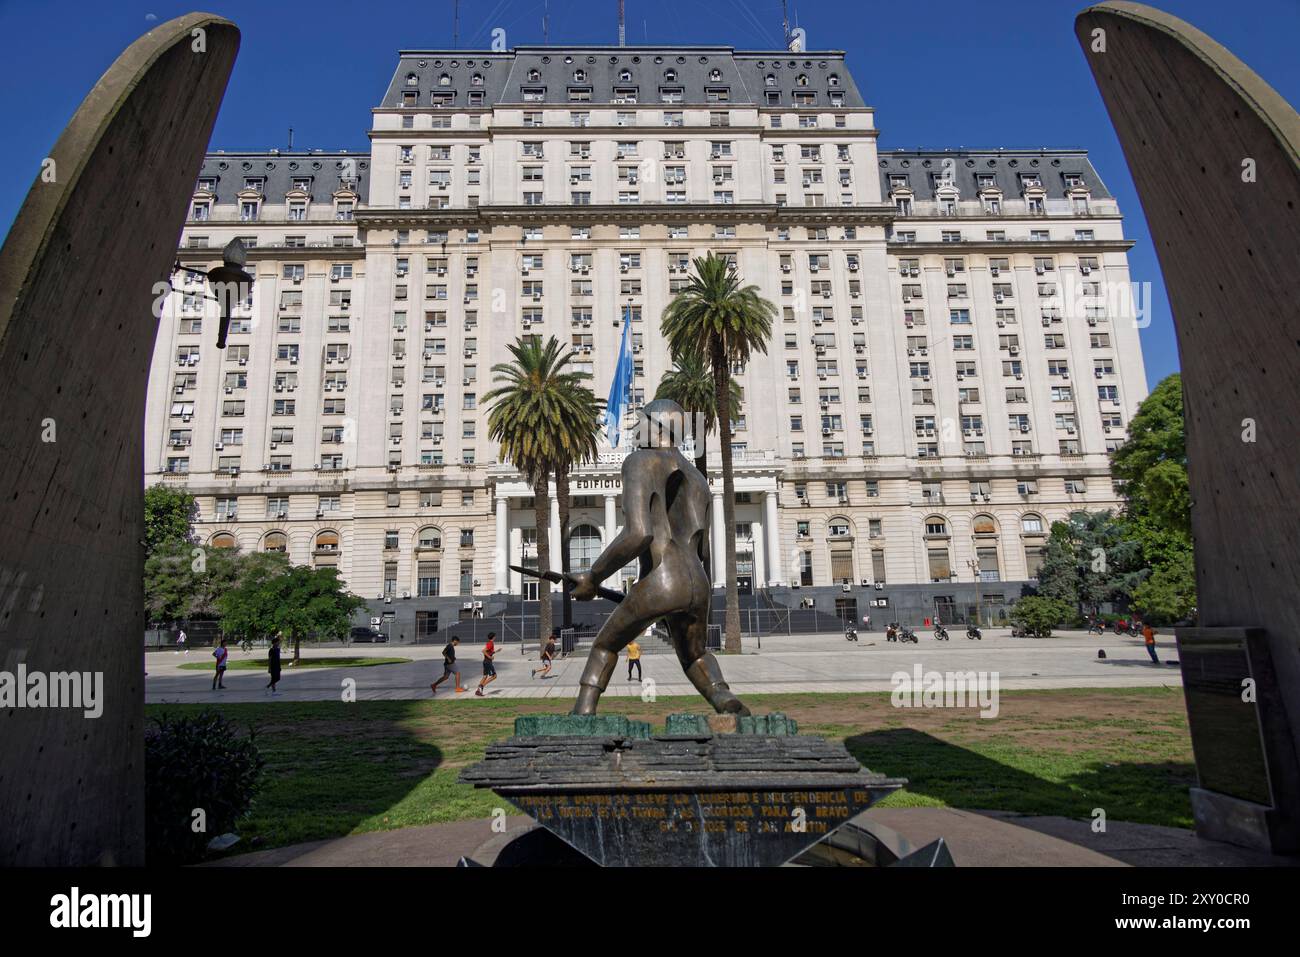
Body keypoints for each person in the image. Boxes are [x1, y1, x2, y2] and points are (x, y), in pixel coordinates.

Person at [568, 400, 748, 716]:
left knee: (604, 646)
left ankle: (582, 713)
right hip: (698, 584)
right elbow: (704, 550)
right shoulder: (696, 476)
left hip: (662, 579)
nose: (635, 430)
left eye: (641, 422)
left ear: (658, 426)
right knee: (695, 656)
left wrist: (593, 577)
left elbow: (638, 534)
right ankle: (725, 700)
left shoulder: (640, 462)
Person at [475, 632, 500, 697]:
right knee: (494, 676)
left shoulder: (489, 643)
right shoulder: (491, 643)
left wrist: (496, 651)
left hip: (485, 662)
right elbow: (483, 651)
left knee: (485, 676)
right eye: (495, 636)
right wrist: (490, 657)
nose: (495, 637)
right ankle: (482, 686)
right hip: (488, 662)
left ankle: (478, 691)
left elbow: (489, 652)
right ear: (493, 637)